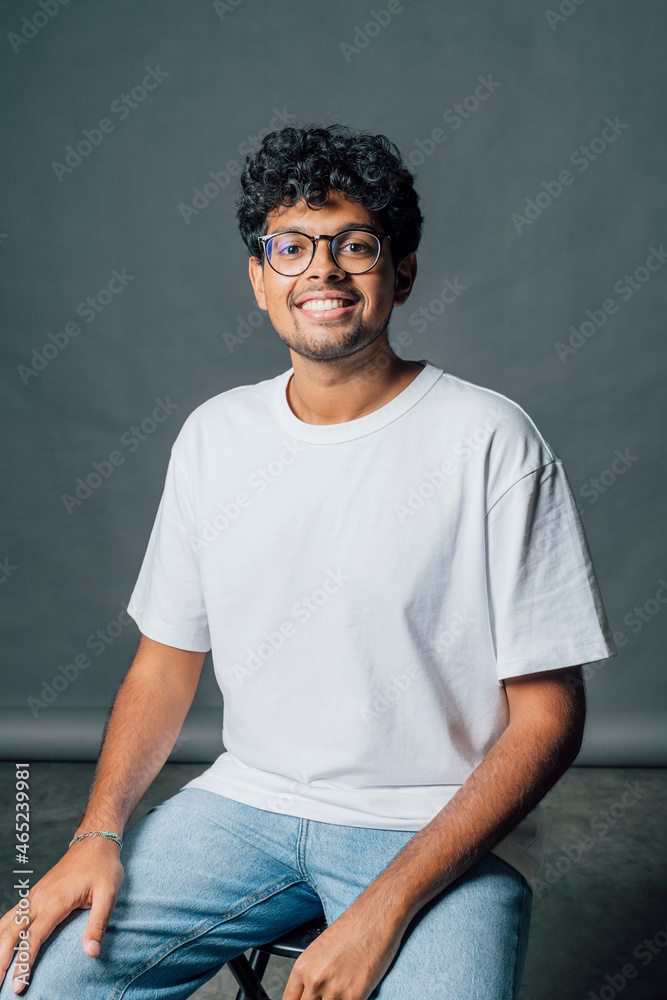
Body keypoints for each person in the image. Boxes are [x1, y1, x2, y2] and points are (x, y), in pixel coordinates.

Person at [0, 123, 617, 999]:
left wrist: (383, 907)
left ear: (400, 273)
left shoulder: (490, 440)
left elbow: (548, 716)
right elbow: (165, 667)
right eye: (291, 247)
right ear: (260, 279)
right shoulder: (215, 435)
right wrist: (93, 837)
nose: (320, 270)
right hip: (241, 808)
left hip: (431, 825)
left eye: (353, 245)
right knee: (31, 982)